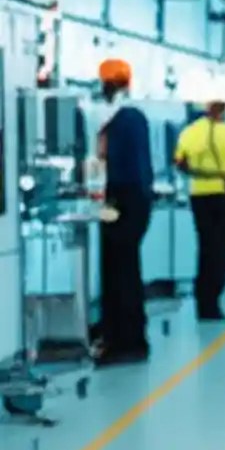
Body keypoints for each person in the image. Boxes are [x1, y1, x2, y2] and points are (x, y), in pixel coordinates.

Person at [92, 58, 155, 366]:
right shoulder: (135, 116)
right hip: (135, 202)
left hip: (120, 203)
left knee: (118, 270)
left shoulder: (119, 119)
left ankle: (123, 341)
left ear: (108, 85)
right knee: (126, 268)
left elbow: (105, 160)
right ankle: (127, 337)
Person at [174, 99, 225, 321]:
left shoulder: (190, 133)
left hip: (200, 196)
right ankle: (212, 303)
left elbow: (180, 163)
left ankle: (203, 301)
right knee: (222, 248)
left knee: (206, 246)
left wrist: (201, 171)